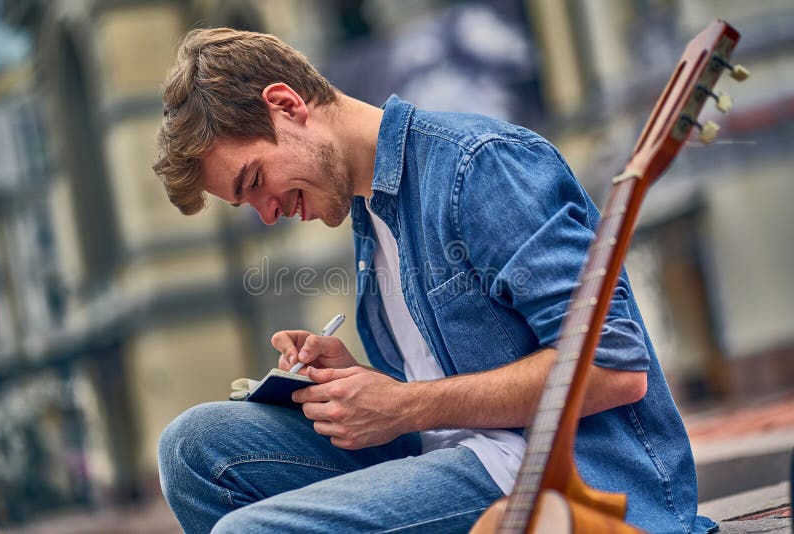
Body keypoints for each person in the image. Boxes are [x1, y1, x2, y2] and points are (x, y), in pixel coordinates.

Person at [153, 28, 715, 534]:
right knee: (190, 448)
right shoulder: (367, 211)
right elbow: (438, 386)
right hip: (450, 460)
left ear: (286, 105)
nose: (267, 213)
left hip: (558, 481)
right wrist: (359, 384)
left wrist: (404, 406)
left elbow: (613, 369)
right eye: (245, 202)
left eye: (254, 180)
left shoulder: (479, 165)